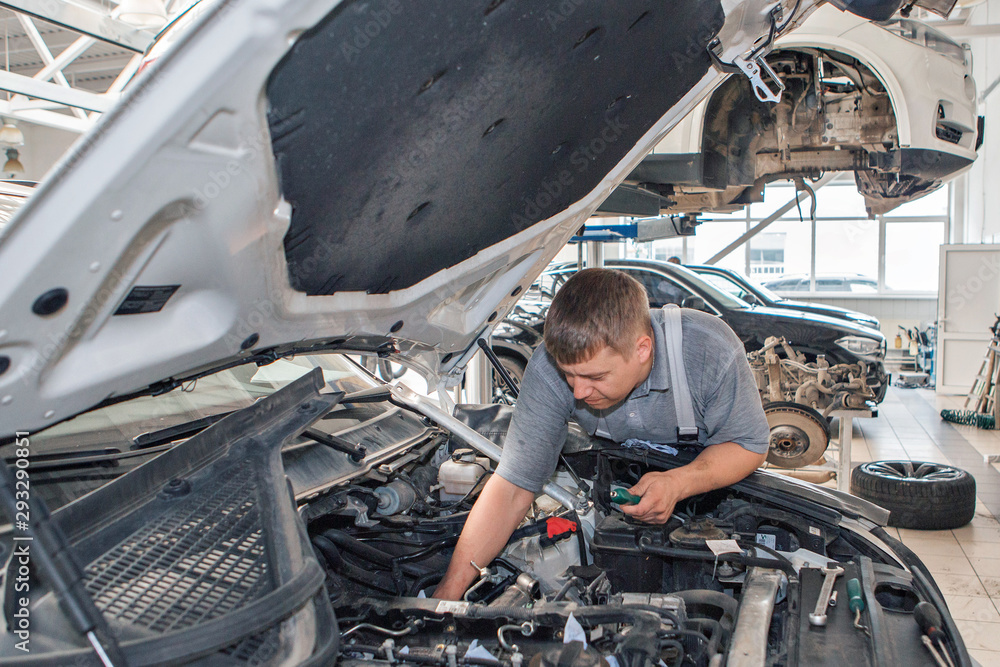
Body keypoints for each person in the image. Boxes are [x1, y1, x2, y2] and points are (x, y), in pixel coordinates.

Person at [433, 268, 769, 600]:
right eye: (569, 375)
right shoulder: (549, 369)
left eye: (595, 377)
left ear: (642, 349)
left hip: (709, 488)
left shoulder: (709, 350)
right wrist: (447, 594)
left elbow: (749, 445)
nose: (578, 392)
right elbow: (513, 487)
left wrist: (679, 483)